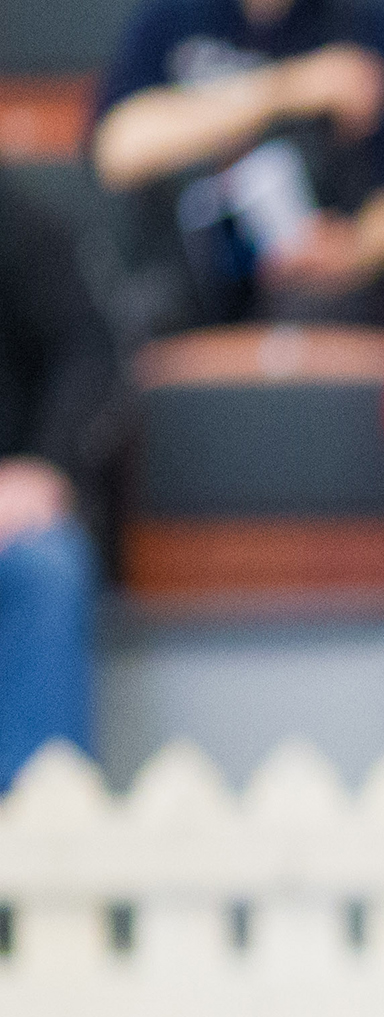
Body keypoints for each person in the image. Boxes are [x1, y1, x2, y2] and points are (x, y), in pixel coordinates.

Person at [88, 0, 384, 338]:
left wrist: (355, 250)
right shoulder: (171, 21)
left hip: (321, 290)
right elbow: (117, 148)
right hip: (190, 282)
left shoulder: (372, 29)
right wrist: (292, 87)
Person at [0, 180, 125, 787]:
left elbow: (87, 349)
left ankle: (43, 859)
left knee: (47, 567)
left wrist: (45, 467)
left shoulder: (17, 219)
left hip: (11, 510)